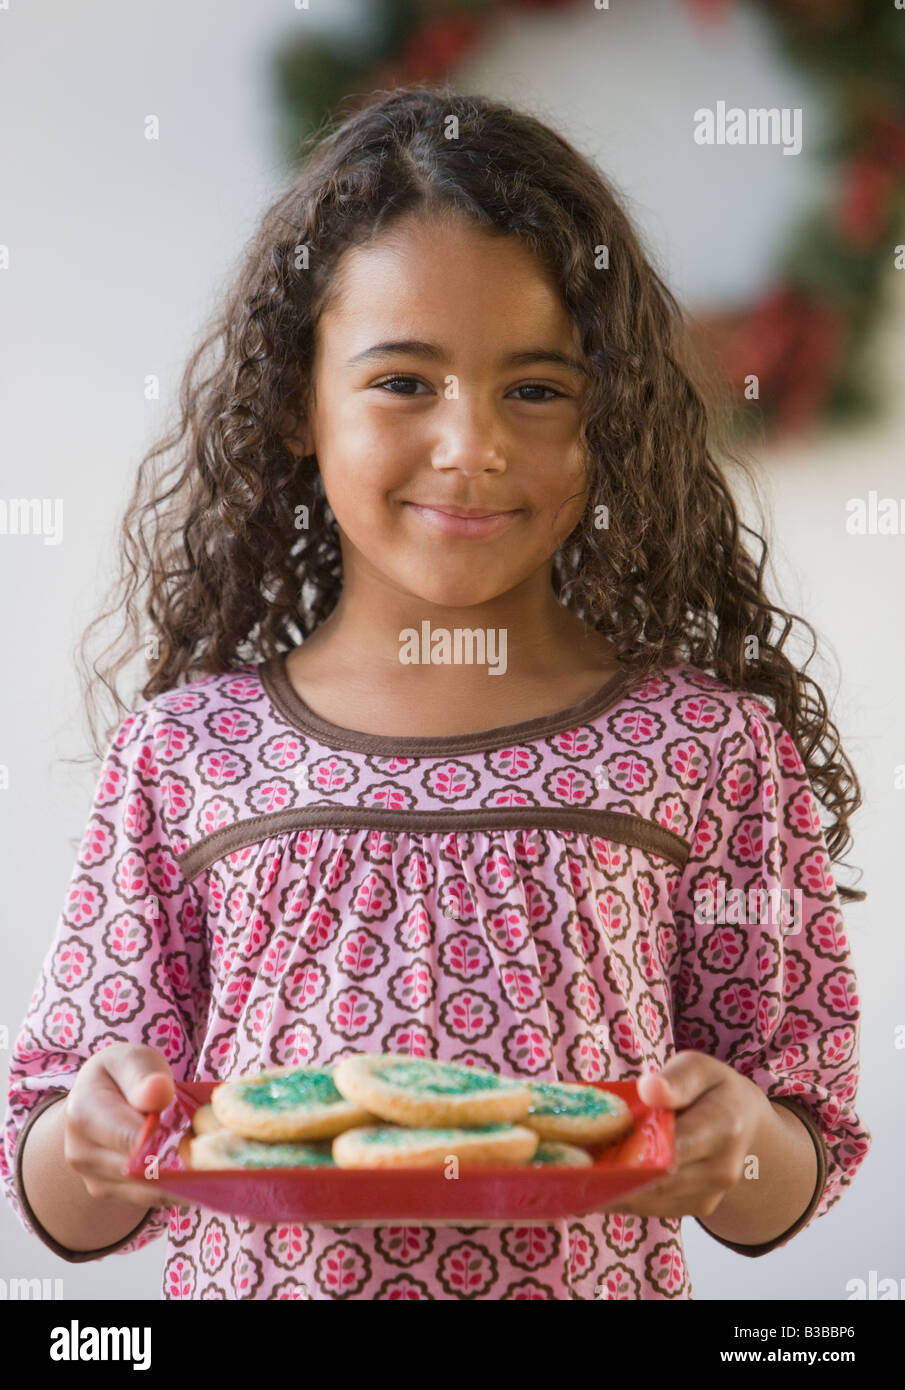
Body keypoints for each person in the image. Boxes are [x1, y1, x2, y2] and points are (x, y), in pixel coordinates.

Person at [1, 83, 870, 1300]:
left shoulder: (707, 749)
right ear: (297, 404)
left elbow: (796, 1147)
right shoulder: (184, 754)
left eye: (535, 388)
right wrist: (88, 1142)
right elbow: (60, 1183)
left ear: (605, 417)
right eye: (403, 381)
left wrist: (737, 1142)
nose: (471, 446)